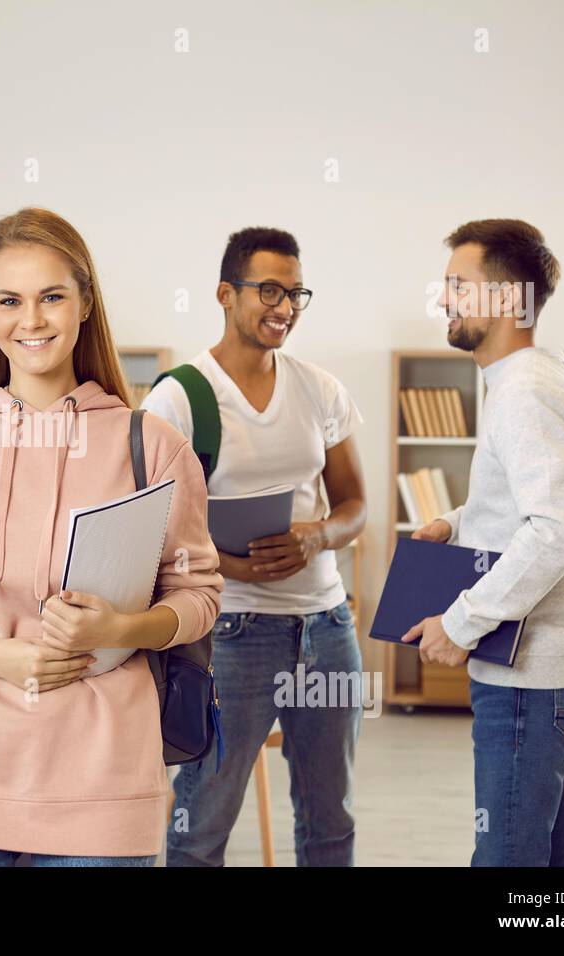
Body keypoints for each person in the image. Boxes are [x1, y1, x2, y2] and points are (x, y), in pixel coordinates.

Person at [0, 207, 222, 866]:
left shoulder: (152, 446)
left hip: (104, 778)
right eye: (9, 300)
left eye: (52, 297)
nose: (31, 319)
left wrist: (119, 630)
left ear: (85, 304)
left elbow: (199, 596)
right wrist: (0, 656)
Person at [144, 226, 367, 867]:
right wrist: (234, 563)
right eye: (269, 289)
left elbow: (355, 504)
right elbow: (154, 528)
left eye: (296, 293)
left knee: (331, 818)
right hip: (232, 631)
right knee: (203, 820)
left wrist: (318, 535)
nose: (285, 307)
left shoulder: (320, 389)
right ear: (225, 293)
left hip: (325, 626)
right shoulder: (180, 397)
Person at [407, 219, 564, 867]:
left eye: (457, 286)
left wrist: (461, 622)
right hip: (542, 672)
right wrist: (458, 524)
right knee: (550, 859)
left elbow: (557, 532)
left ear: (505, 300)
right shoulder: (536, 375)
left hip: (529, 678)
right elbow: (538, 504)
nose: (443, 300)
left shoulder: (523, 390)